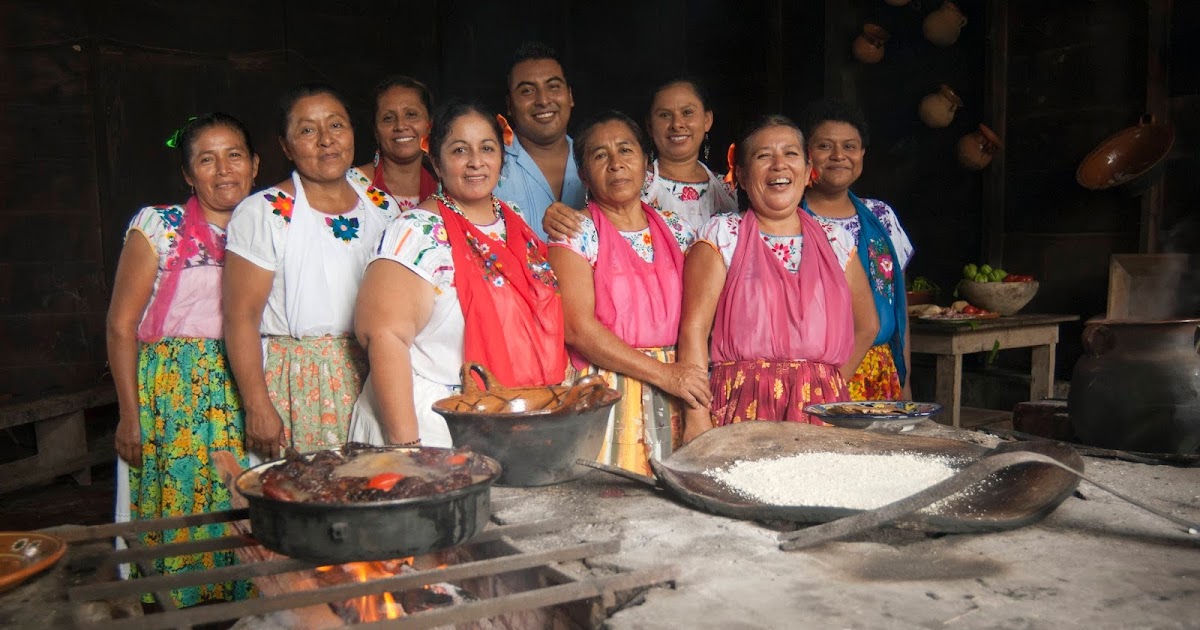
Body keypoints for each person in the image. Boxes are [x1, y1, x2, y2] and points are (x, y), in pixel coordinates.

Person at [350, 100, 568, 447]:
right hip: (434, 427)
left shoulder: (515, 222)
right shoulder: (417, 232)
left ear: (501, 156)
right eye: (459, 150)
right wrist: (407, 447)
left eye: (487, 148)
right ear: (435, 161)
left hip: (508, 421)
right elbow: (384, 337)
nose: (476, 162)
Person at [106, 113, 259, 607]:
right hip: (173, 398)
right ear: (189, 175)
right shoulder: (160, 226)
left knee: (241, 505)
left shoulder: (269, 229)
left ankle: (242, 609)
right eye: (206, 160)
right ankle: (176, 610)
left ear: (255, 165)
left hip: (246, 389)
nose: (223, 170)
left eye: (234, 155)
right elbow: (120, 324)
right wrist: (130, 415)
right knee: (178, 513)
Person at [677, 115, 879, 442]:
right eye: (763, 156)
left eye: (790, 154)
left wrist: (826, 382)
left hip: (821, 409)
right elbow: (694, 329)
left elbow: (867, 324)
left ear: (808, 167)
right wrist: (697, 417)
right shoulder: (722, 235)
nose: (779, 165)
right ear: (740, 174)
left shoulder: (836, 240)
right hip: (741, 402)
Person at [223, 84, 398, 458]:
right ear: (286, 146)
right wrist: (256, 405)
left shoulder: (381, 205)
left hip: (378, 373)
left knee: (377, 492)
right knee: (308, 499)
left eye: (336, 126)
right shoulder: (265, 212)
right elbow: (240, 316)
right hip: (300, 384)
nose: (326, 141)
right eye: (307, 130)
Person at [547, 111, 711, 475]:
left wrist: (689, 394)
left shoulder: (678, 229)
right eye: (600, 155)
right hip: (607, 391)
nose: (616, 164)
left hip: (678, 390)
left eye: (626, 150)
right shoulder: (575, 232)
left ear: (646, 166)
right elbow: (576, 328)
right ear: (585, 174)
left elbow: (700, 317)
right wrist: (666, 375)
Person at [799, 99, 914, 401]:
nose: (839, 156)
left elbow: (898, 305)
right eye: (825, 146)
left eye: (850, 147)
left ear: (862, 153)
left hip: (880, 371)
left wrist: (906, 380)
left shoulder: (881, 218)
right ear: (806, 154)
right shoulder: (788, 220)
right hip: (815, 374)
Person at [542, 78, 737, 239]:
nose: (677, 124)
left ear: (707, 120)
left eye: (687, 112)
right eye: (664, 115)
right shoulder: (626, 183)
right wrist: (558, 217)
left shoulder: (729, 189)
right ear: (650, 126)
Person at [493, 41, 586, 241]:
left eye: (553, 86)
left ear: (570, 96)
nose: (543, 100)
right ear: (509, 104)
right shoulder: (488, 166)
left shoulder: (595, 160)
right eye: (527, 90)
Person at [347, 75, 439, 212]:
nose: (401, 126)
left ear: (429, 125)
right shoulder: (350, 185)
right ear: (376, 131)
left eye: (411, 114)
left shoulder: (443, 193)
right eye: (388, 118)